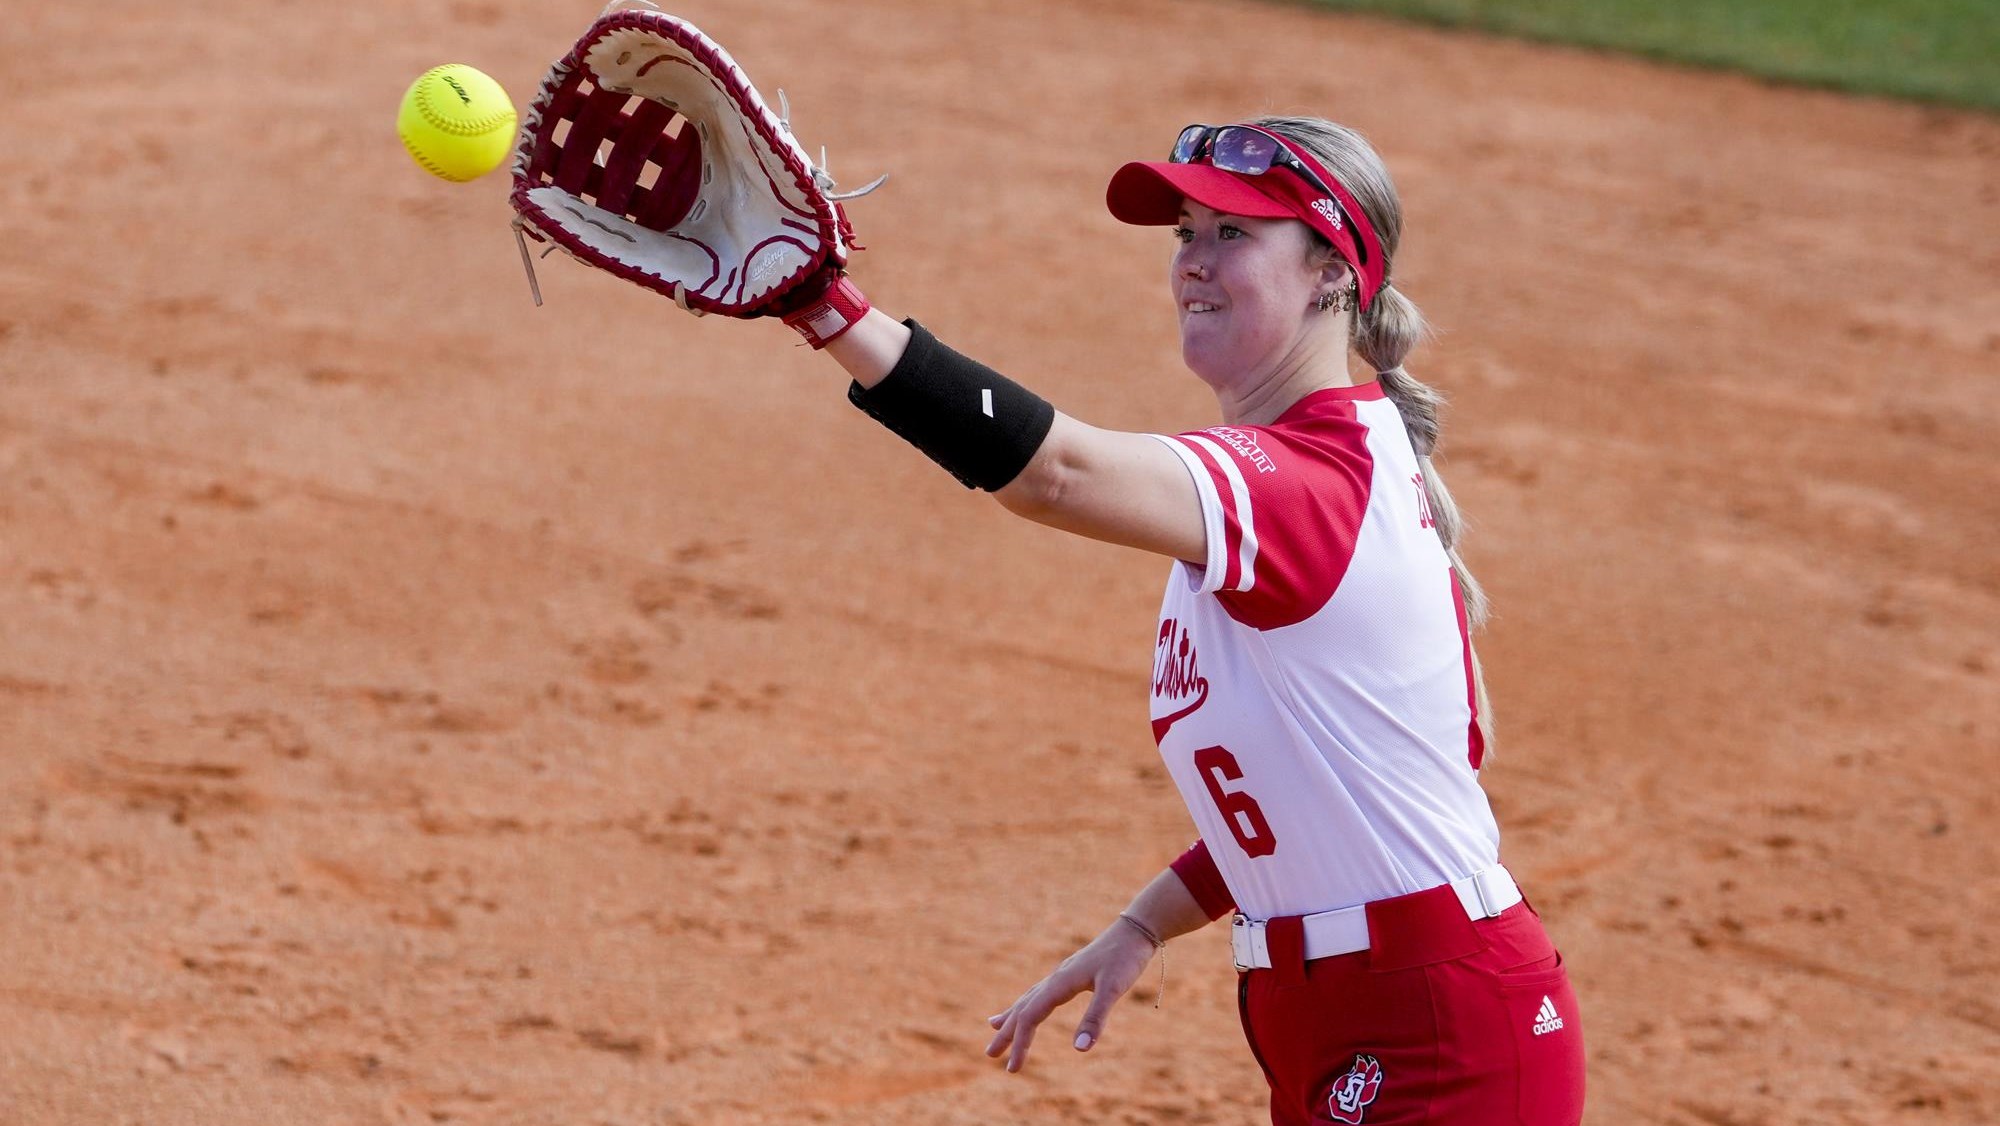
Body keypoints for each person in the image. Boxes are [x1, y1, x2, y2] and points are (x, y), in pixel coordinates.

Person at [776, 115, 1586, 1125]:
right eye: (1185, 234)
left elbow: (1057, 475)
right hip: (1339, 1012)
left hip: (1439, 1028)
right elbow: (1328, 794)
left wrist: (825, 309)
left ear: (1332, 272)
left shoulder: (1309, 481)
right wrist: (1144, 922)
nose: (1194, 263)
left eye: (1232, 234)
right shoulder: (1313, 468)